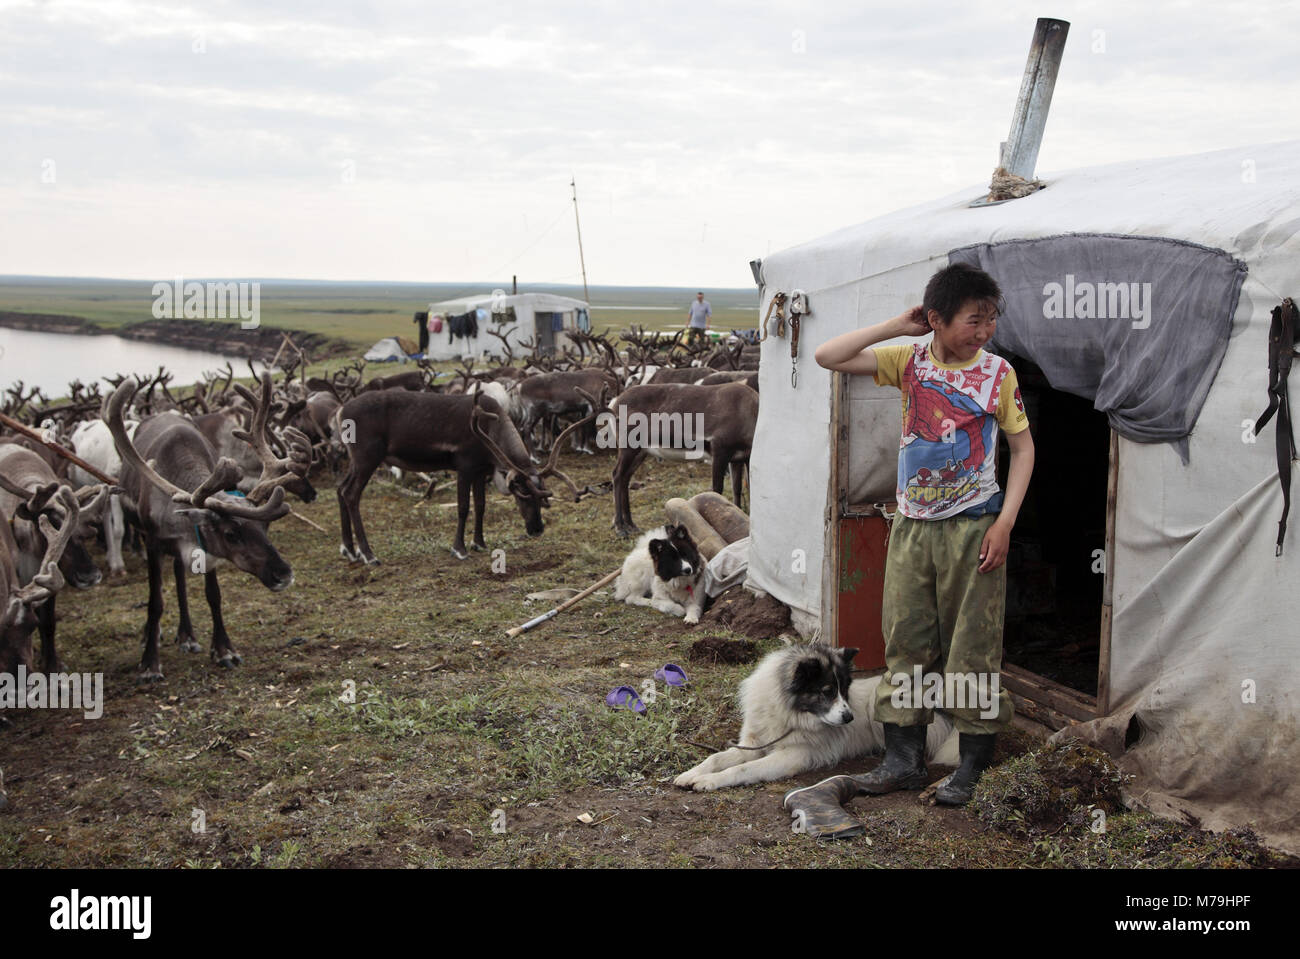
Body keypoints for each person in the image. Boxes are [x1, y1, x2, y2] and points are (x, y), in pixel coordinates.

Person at [811, 262, 1035, 807]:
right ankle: (902, 759)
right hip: (913, 527)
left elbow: (1024, 450)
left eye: (990, 320)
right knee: (906, 640)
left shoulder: (996, 373)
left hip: (974, 526)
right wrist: (896, 325)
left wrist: (1004, 522)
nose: (983, 331)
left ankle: (971, 766)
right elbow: (828, 357)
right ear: (936, 318)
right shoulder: (909, 361)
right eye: (971, 320)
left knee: (972, 647)